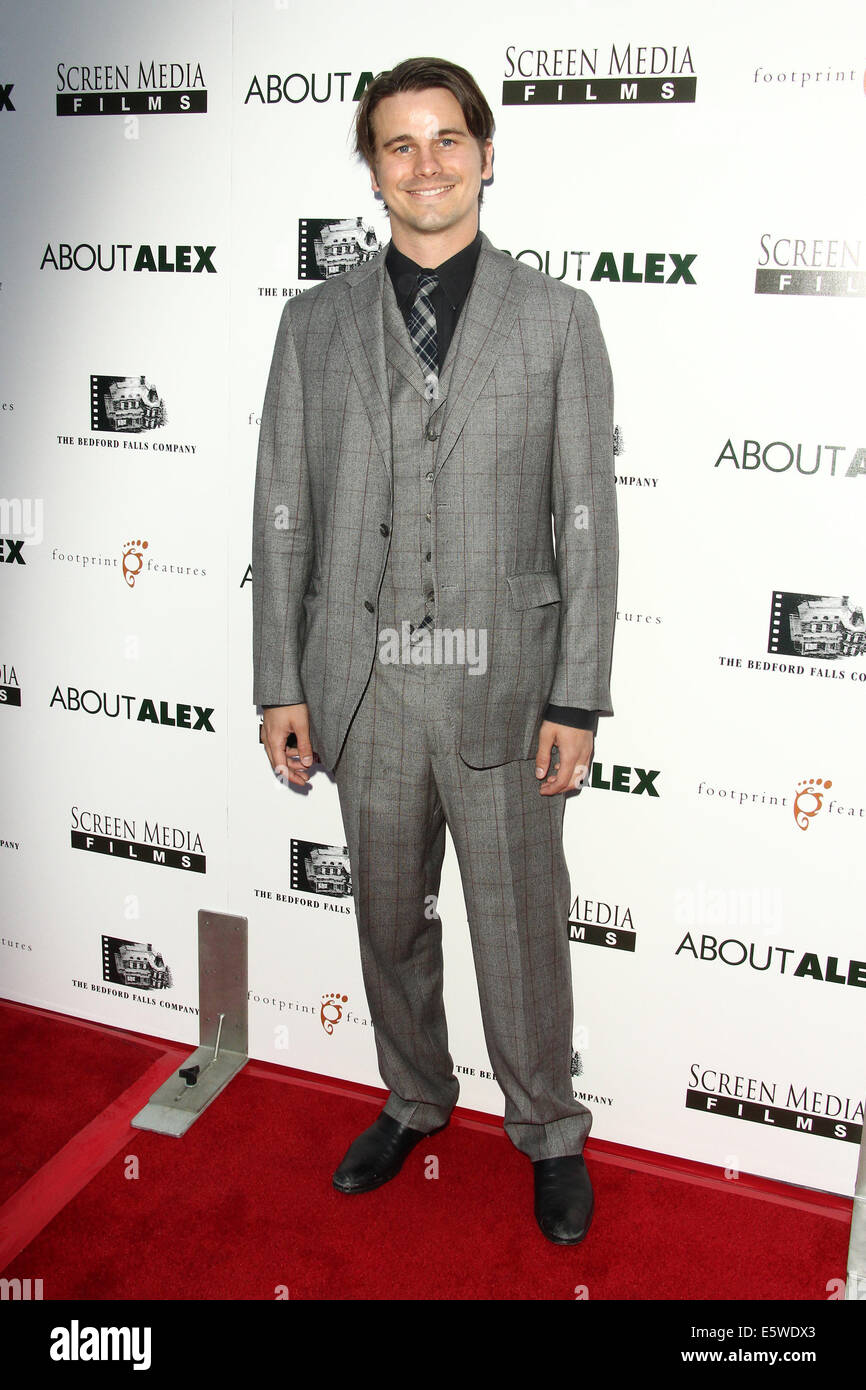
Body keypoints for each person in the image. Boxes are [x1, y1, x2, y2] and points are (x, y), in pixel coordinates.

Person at [253, 56, 618, 1245]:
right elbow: (281, 511)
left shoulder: (557, 317)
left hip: (505, 687)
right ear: (371, 167)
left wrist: (576, 691)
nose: (425, 164)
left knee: (519, 921)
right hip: (358, 687)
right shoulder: (311, 326)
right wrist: (279, 683)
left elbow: (584, 518)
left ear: (485, 152)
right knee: (390, 920)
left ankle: (547, 1129)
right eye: (399, 145)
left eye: (445, 140)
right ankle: (413, 1096)